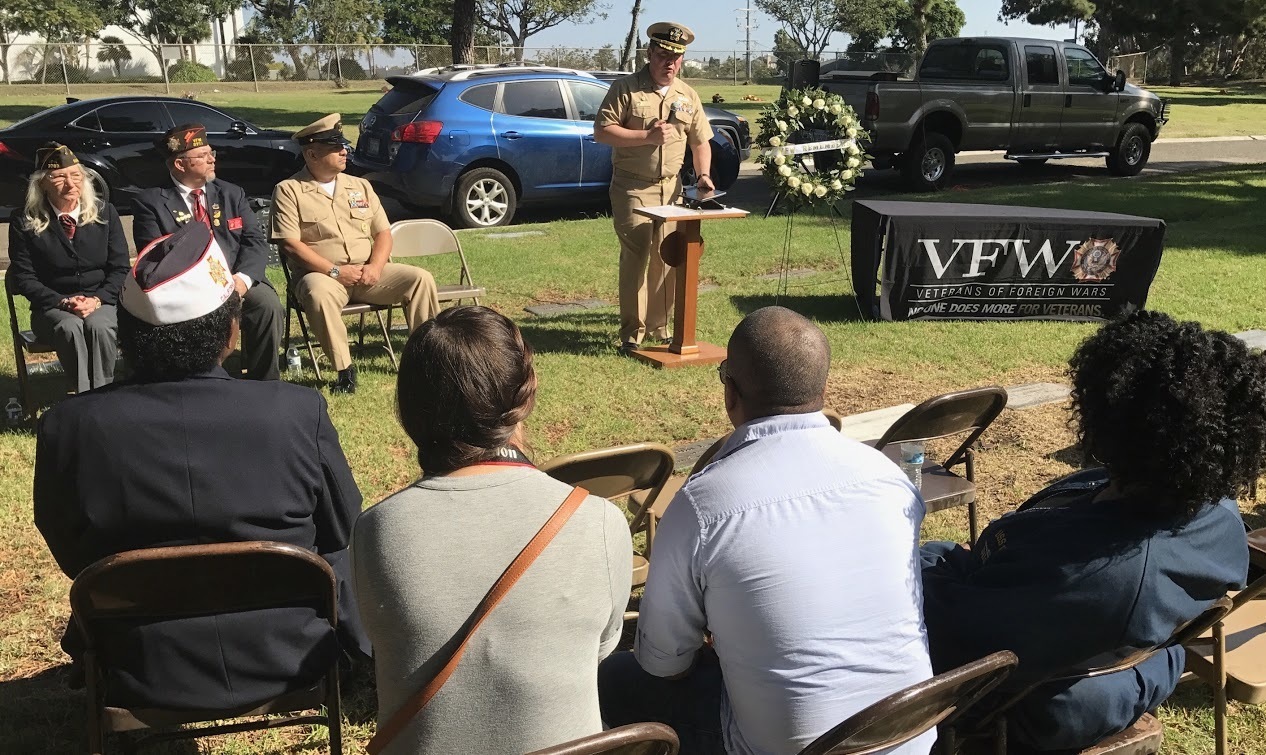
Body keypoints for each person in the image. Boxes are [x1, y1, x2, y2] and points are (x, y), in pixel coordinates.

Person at [33, 221, 371, 711]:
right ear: (232, 331)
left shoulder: (67, 425)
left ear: (124, 335)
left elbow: (70, 548)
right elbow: (343, 528)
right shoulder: (297, 411)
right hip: (292, 655)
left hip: (139, 663)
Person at [921, 310, 1265, 752]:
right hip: (1052, 633)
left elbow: (950, 636)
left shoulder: (1098, 575)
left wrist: (928, 561)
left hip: (1016, 711)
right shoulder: (1213, 511)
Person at [599, 306, 934, 755]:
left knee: (612, 679)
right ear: (822, 386)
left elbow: (665, 665)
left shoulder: (701, 505)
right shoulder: (890, 477)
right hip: (911, 736)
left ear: (730, 392)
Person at [352, 305, 633, 755]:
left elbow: (381, 648)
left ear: (408, 409)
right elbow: (597, 650)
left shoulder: (376, 530)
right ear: (527, 396)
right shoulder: (601, 522)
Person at [270, 113, 440, 394]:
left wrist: (375, 266)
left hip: (367, 273)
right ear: (312, 154)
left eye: (343, 145)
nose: (344, 151)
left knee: (419, 279)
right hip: (323, 276)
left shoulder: (359, 186)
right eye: (335, 148)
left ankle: (428, 359)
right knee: (318, 293)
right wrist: (336, 271)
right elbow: (290, 244)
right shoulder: (289, 190)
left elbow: (383, 233)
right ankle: (344, 371)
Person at [131, 123, 285, 381]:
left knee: (267, 305)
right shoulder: (152, 202)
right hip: (187, 287)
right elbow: (157, 257)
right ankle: (205, 383)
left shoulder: (231, 193)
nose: (212, 159)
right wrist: (207, 288)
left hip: (237, 279)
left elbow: (254, 241)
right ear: (180, 164)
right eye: (203, 156)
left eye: (211, 152)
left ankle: (265, 384)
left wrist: (243, 280)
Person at [595, 22, 714, 352]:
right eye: (663, 56)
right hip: (633, 189)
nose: (670, 64)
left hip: (672, 190)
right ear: (649, 54)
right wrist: (646, 137)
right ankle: (633, 334)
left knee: (669, 257)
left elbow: (701, 141)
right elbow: (602, 131)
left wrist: (703, 175)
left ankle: (660, 328)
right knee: (637, 257)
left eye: (676, 58)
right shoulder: (627, 89)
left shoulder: (687, 95)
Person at [7, 142, 129, 393]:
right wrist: (63, 302)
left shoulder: (106, 213)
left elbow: (120, 269)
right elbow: (24, 278)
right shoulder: (24, 220)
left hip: (102, 302)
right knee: (70, 327)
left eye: (76, 176)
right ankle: (85, 396)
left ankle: (102, 394)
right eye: (60, 177)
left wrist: (97, 300)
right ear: (42, 183)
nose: (71, 184)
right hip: (52, 308)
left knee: (100, 326)